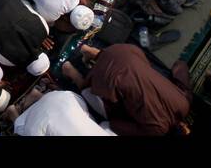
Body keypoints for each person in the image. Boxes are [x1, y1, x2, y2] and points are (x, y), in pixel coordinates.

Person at [62, 43, 192, 135]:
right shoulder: (156, 131)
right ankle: (71, 72)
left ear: (185, 125)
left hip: (125, 51)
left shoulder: (184, 103)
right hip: (104, 78)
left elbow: (180, 66)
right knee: (107, 112)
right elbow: (114, 125)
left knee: (138, 66)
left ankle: (92, 52)